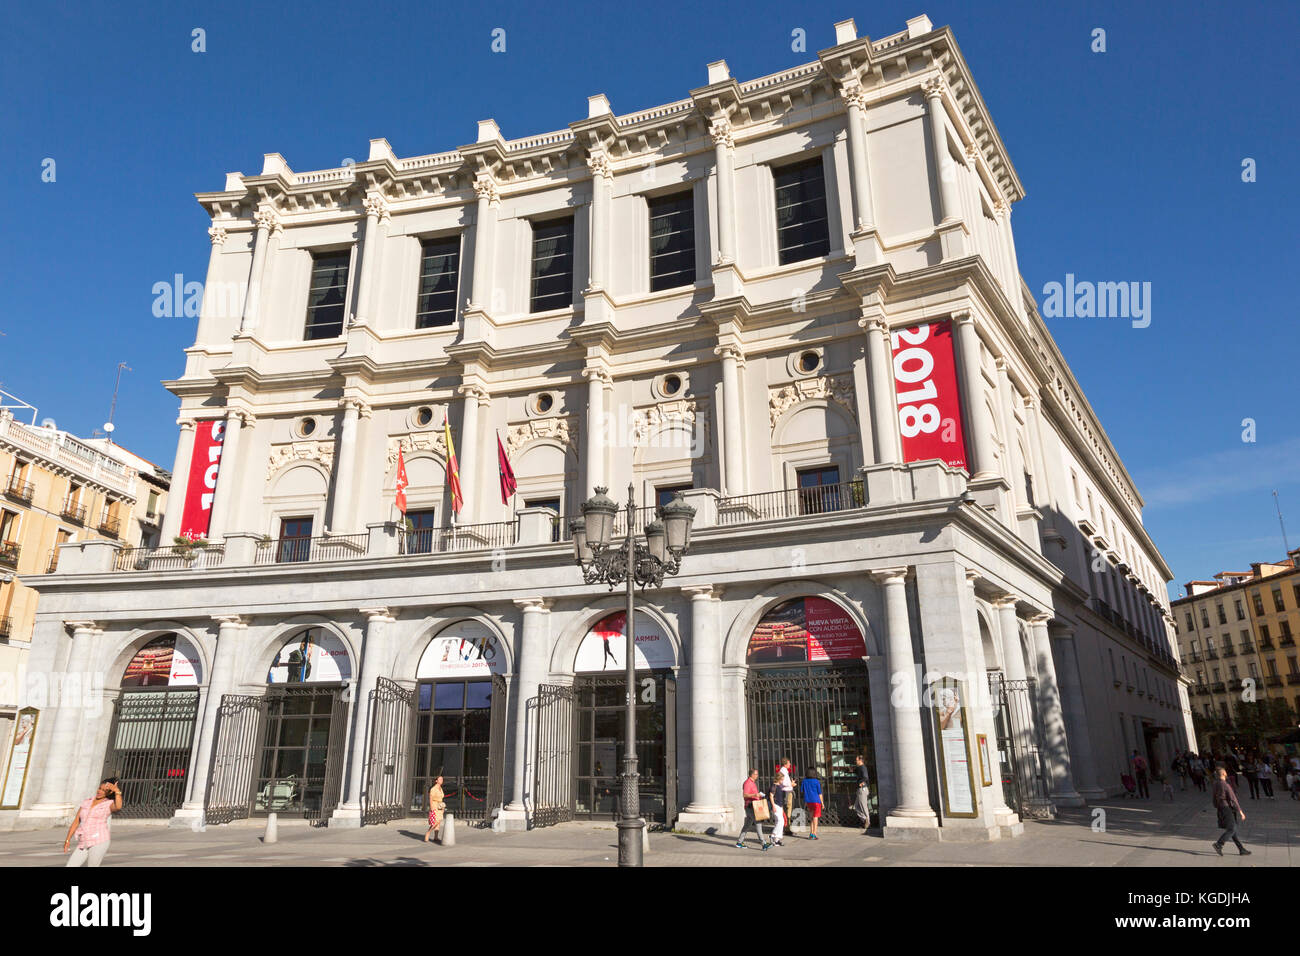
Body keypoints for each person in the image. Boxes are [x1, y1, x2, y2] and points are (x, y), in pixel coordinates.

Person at [64, 777, 122, 867]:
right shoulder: (87, 802)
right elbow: (76, 822)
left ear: (109, 793)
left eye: (103, 790)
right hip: (84, 841)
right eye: (99, 788)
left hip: (99, 840)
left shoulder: (108, 804)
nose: (100, 791)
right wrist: (67, 840)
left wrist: (117, 791)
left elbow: (118, 807)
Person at [1211, 766, 1251, 857]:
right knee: (1232, 829)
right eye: (1225, 771)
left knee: (1232, 829)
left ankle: (1241, 849)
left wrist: (1216, 806)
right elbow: (1233, 799)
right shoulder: (1225, 785)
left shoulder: (1216, 783)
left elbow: (1214, 797)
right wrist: (1240, 811)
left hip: (1220, 808)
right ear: (1223, 773)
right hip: (1227, 809)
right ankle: (1219, 844)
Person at [736, 769, 770, 850]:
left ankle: (739, 842)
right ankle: (764, 844)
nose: (757, 776)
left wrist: (758, 796)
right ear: (752, 775)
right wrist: (755, 795)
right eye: (756, 774)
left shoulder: (752, 783)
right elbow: (745, 795)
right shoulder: (747, 783)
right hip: (750, 806)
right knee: (758, 823)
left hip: (753, 806)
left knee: (747, 825)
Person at [800, 768, 823, 840]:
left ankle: (811, 833)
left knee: (811, 817)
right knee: (815, 817)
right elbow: (820, 793)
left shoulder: (804, 781)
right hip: (816, 801)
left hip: (808, 801)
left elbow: (802, 790)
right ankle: (814, 834)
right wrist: (822, 803)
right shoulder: (816, 781)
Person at [424, 774, 446, 844]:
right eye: (440, 779)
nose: (441, 780)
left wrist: (443, 807)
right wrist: (431, 807)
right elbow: (430, 798)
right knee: (435, 821)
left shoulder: (440, 788)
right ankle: (428, 832)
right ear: (436, 781)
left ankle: (436, 837)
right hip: (435, 805)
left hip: (440, 806)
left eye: (442, 779)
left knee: (439, 822)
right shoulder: (433, 789)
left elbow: (441, 798)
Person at [853, 754, 871, 831]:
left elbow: (865, 777)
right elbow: (855, 771)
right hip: (860, 789)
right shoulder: (859, 768)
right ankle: (865, 820)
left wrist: (861, 783)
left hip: (862, 789)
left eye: (856, 760)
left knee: (863, 806)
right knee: (856, 807)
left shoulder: (863, 767)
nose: (855, 761)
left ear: (860, 760)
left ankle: (867, 821)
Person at [768, 773, 786, 846]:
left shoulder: (779, 786)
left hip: (779, 806)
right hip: (776, 805)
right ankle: (773, 834)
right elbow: (771, 796)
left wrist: (782, 807)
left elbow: (780, 797)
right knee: (780, 821)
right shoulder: (774, 786)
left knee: (778, 821)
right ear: (778, 779)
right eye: (782, 779)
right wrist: (773, 806)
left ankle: (777, 839)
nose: (782, 781)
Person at [777, 757, 795, 830]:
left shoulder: (784, 771)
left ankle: (787, 827)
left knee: (788, 809)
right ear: (785, 764)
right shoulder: (783, 771)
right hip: (786, 792)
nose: (790, 764)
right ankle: (787, 827)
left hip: (787, 791)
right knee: (788, 809)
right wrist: (791, 784)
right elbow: (783, 782)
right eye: (789, 763)